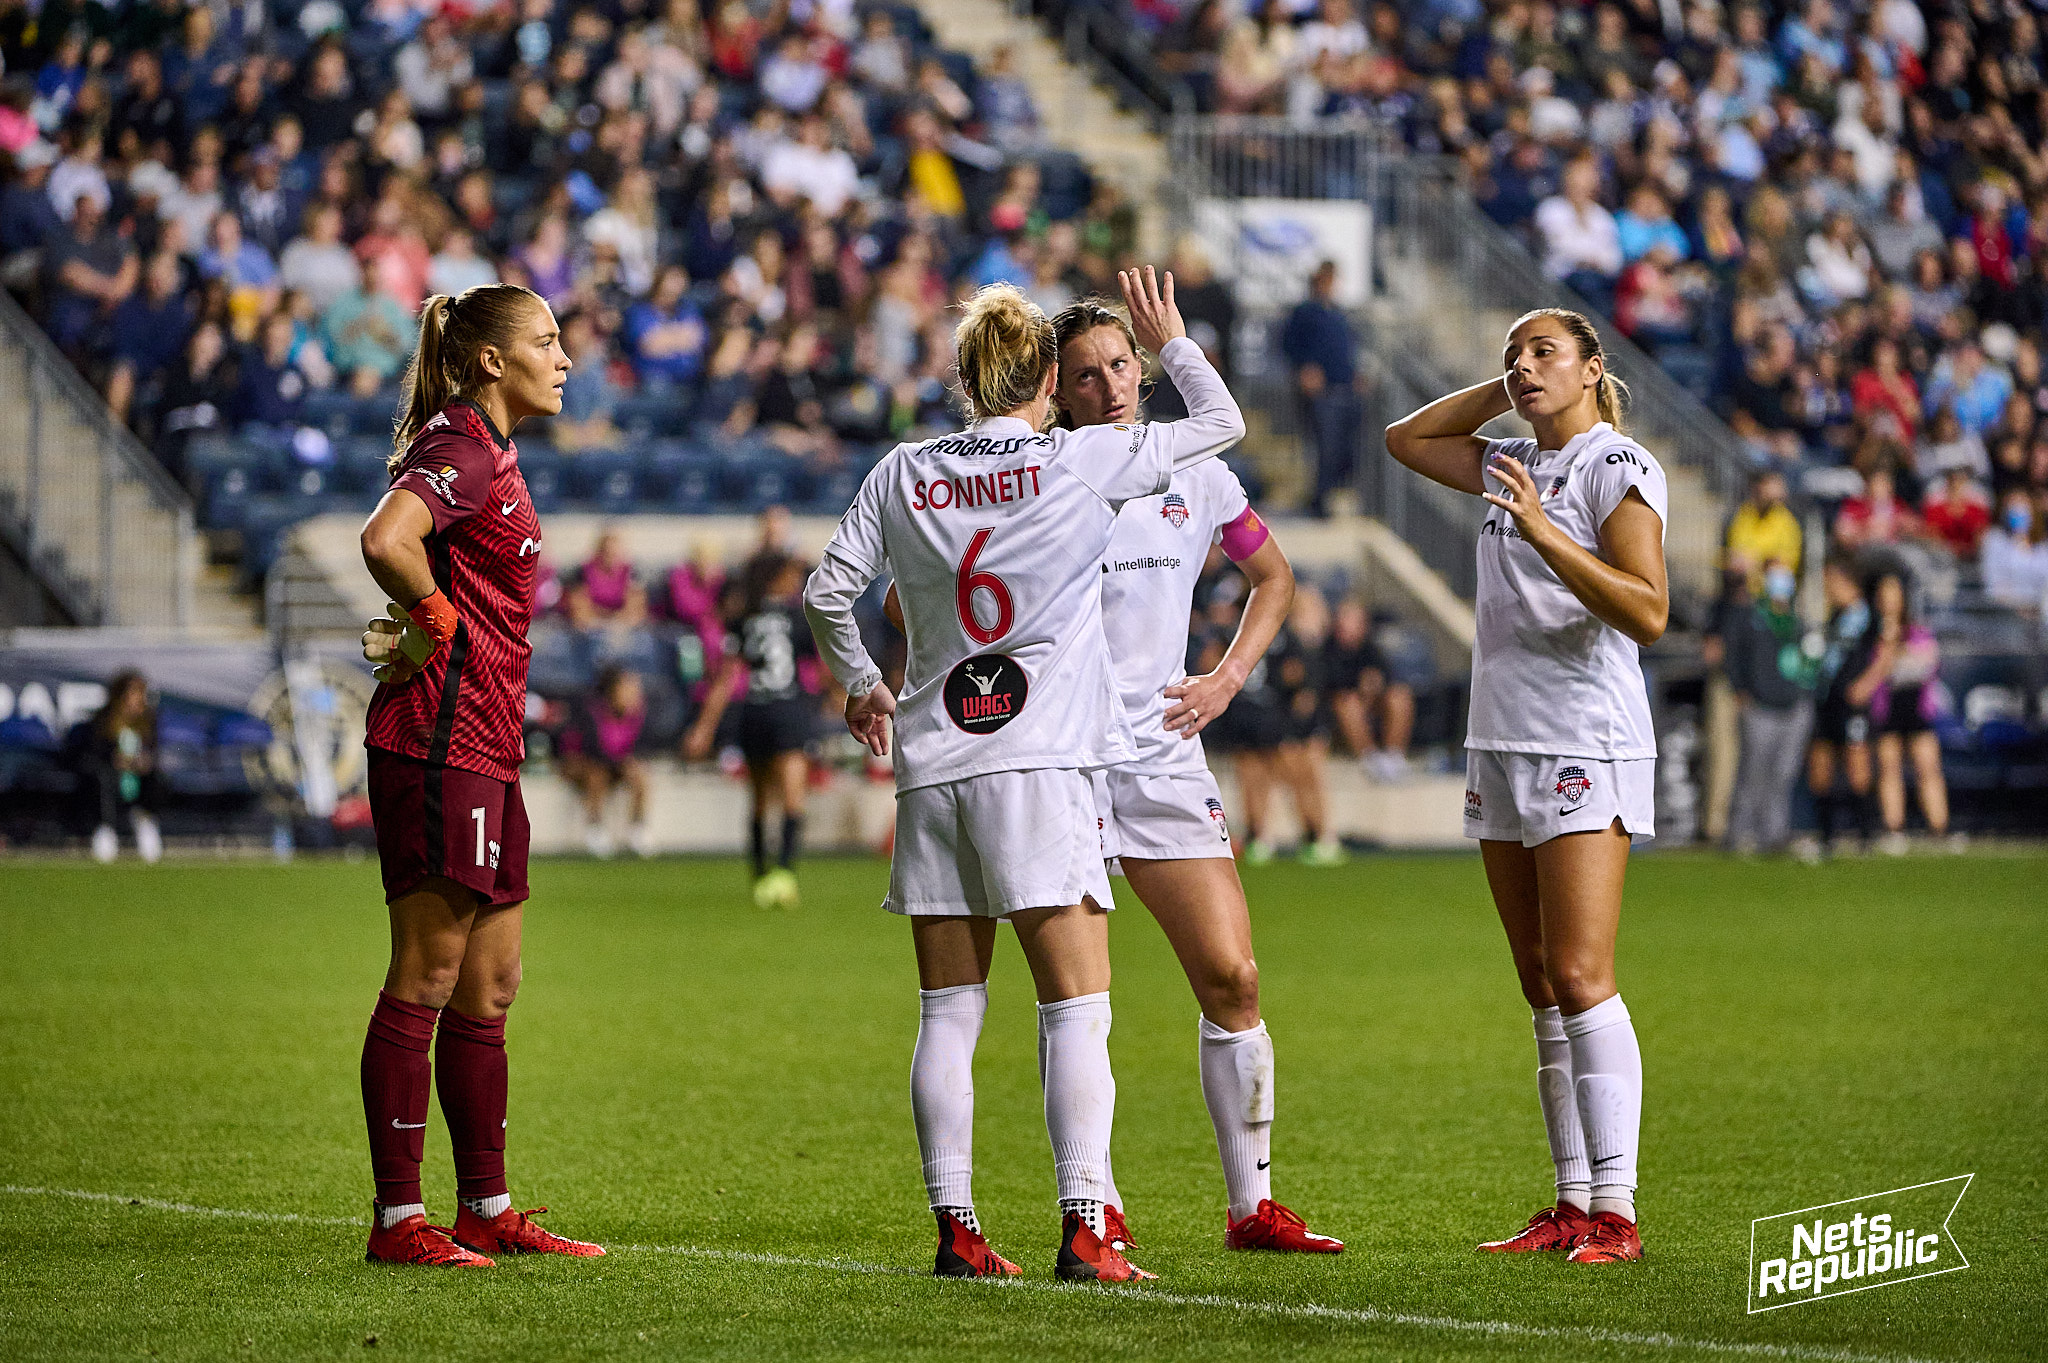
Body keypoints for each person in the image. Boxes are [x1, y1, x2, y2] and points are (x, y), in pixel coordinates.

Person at [801, 269, 1242, 1283]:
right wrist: (1167, 342)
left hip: (932, 763)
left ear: (964, 378)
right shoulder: (1079, 460)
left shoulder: (902, 472)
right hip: (1040, 763)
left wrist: (864, 685)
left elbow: (828, 589)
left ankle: (955, 1229)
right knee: (1074, 1008)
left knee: (949, 1011)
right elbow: (1219, 421)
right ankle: (1085, 1225)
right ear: (1050, 374)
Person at [1046, 295, 1339, 1252]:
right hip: (1068, 758)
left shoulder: (1196, 471)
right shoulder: (1044, 473)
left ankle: (1252, 1206)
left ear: (1144, 366)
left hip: (1167, 752)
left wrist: (1229, 675)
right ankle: (1096, 1201)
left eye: (1120, 366)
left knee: (1233, 975)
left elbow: (1275, 577)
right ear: (1060, 390)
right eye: (1085, 374)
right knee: (1080, 999)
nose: (1109, 386)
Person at [1386, 307, 1668, 1265]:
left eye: (1544, 351)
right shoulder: (1511, 459)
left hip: (1585, 738)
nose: (1524, 364)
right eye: (1512, 352)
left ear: (1594, 368)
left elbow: (1650, 610)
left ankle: (1618, 1210)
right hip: (1501, 738)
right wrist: (1500, 390)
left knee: (1585, 974)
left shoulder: (1615, 467)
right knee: (1540, 981)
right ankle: (1571, 1199)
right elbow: (1407, 439)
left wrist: (1546, 533)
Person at [355, 283, 603, 1267]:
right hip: (436, 741)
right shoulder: (459, 446)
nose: (564, 358)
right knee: (428, 971)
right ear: (492, 361)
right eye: (546, 341)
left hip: (488, 744)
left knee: (490, 985)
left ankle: (484, 1207)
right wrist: (433, 613)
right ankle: (396, 1221)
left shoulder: (488, 451)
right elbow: (385, 539)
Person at [685, 551, 821, 909]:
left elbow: (726, 677)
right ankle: (785, 874)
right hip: (789, 709)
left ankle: (762, 876)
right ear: (776, 576)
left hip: (756, 711)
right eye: (792, 574)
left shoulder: (743, 616)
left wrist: (703, 727)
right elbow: (822, 662)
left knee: (760, 799)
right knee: (793, 796)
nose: (797, 580)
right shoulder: (799, 616)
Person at [1722, 559, 1817, 854]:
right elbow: (1732, 655)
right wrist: (1740, 690)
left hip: (1791, 707)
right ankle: (1739, 835)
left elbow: (1809, 662)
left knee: (1782, 775)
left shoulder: (1798, 622)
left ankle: (1772, 835)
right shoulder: (1750, 617)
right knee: (1753, 773)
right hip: (1760, 706)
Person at [1805, 554, 1885, 858]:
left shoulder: (1869, 616)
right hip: (1827, 700)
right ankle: (1826, 837)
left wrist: (1867, 683)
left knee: (1857, 766)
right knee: (1820, 766)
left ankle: (1866, 835)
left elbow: (1887, 652)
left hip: (1853, 706)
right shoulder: (1834, 617)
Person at [1866, 573, 1952, 854]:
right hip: (1887, 708)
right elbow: (1877, 671)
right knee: (1889, 769)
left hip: (1917, 707)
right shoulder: (1872, 633)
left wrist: (1898, 658)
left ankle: (1939, 829)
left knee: (1928, 767)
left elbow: (1927, 665)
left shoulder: (1917, 630)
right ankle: (1894, 829)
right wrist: (1890, 652)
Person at [1279, 260, 1362, 515]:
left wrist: (1356, 374)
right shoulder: (1304, 312)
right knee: (1325, 446)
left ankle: (1335, 495)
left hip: (1345, 389)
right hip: (1322, 394)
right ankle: (1319, 501)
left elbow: (1348, 349)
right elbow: (1289, 345)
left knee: (1346, 449)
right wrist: (1304, 369)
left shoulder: (1338, 313)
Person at [557, 664, 653, 859]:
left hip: (613, 763)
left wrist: (628, 764)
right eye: (627, 688)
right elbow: (592, 749)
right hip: (581, 763)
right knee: (596, 775)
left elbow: (637, 748)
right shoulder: (592, 712)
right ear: (613, 691)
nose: (634, 693)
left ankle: (638, 829)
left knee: (639, 776)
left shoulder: (636, 713)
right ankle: (595, 827)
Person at [76, 669, 166, 865]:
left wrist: (143, 761)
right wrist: (116, 759)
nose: (136, 700)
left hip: (138, 778)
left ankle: (145, 822)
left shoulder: (148, 722)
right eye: (131, 694)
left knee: (156, 776)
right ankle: (105, 829)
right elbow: (94, 753)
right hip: (111, 777)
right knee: (103, 777)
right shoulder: (103, 720)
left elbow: (153, 752)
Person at [1326, 594, 1414, 783]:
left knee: (1399, 696)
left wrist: (1375, 684)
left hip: (1371, 701)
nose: (1345, 624)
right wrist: (1360, 689)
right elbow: (1330, 685)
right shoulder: (1328, 648)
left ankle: (1393, 758)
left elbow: (1388, 678)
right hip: (1341, 706)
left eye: (1352, 619)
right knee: (1347, 703)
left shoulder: (1370, 648)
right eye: (1343, 618)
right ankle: (1371, 760)